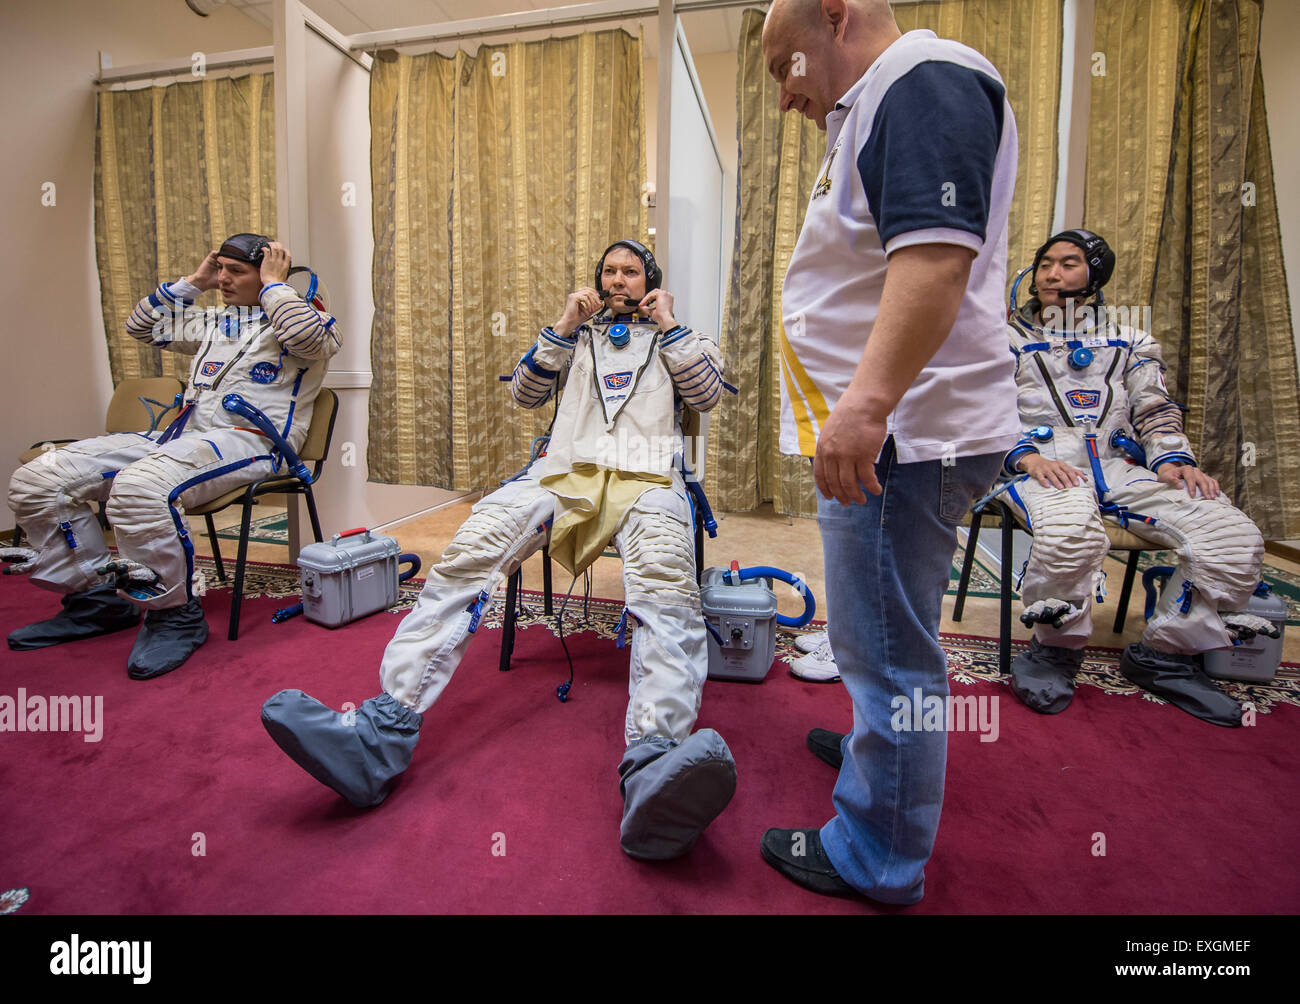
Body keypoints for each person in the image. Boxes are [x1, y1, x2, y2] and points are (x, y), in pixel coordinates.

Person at [261, 240, 739, 861]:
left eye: (631, 271)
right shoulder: (575, 337)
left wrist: (668, 322)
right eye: (610, 271)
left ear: (651, 281)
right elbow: (524, 395)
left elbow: (705, 396)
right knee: (467, 554)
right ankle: (380, 734)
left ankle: (652, 763)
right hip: (558, 473)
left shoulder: (686, 338)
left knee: (666, 587)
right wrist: (564, 326)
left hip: (650, 478)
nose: (619, 280)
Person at [758, 0, 1021, 905]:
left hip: (908, 435)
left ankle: (877, 853)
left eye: (783, 64)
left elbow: (937, 261)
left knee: (889, 651)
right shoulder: (880, 97)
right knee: (880, 631)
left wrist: (866, 407)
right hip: (912, 431)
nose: (783, 96)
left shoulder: (921, 75)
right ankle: (886, 745)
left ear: (835, 13)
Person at [3, 234, 340, 678]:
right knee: (40, 479)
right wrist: (194, 281)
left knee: (141, 488)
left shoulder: (310, 322)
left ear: (269, 272)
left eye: (235, 271)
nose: (222, 278)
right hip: (185, 434)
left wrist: (275, 284)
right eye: (219, 268)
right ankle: (96, 600)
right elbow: (142, 326)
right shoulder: (217, 323)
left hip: (255, 442)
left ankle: (174, 614)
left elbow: (308, 339)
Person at [999, 229, 1270, 726]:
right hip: (1040, 462)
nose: (1051, 274)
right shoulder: (1003, 336)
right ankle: (1054, 650)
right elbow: (981, 409)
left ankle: (1165, 655)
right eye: (1044, 264)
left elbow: (1153, 406)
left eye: (1069, 263)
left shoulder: (1130, 339)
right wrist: (1023, 457)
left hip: (1122, 466)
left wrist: (1172, 458)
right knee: (1069, 535)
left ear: (1095, 276)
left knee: (1231, 533)